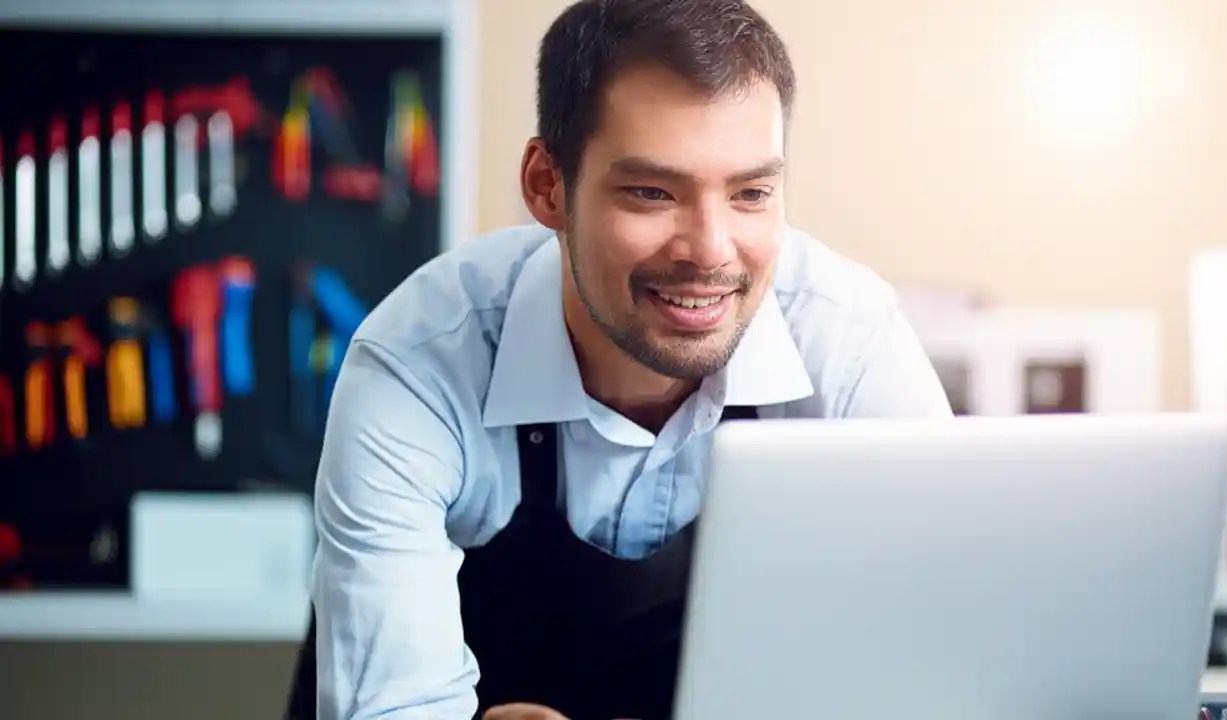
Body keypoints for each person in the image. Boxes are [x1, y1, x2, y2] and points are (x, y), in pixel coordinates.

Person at [309, 0, 952, 718]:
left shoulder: (847, 341)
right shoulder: (416, 366)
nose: (710, 250)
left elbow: (943, 672)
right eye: (652, 192)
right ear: (547, 186)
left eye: (751, 193)